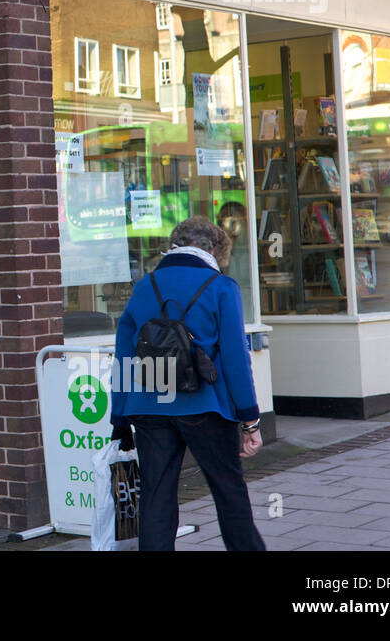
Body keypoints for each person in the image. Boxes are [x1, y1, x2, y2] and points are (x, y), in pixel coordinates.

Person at [110, 215, 266, 551]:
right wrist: (250, 420)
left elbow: (123, 353)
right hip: (206, 406)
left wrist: (120, 417)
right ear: (213, 249)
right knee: (228, 490)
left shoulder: (143, 286)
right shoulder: (222, 287)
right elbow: (237, 360)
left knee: (156, 495)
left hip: (148, 406)